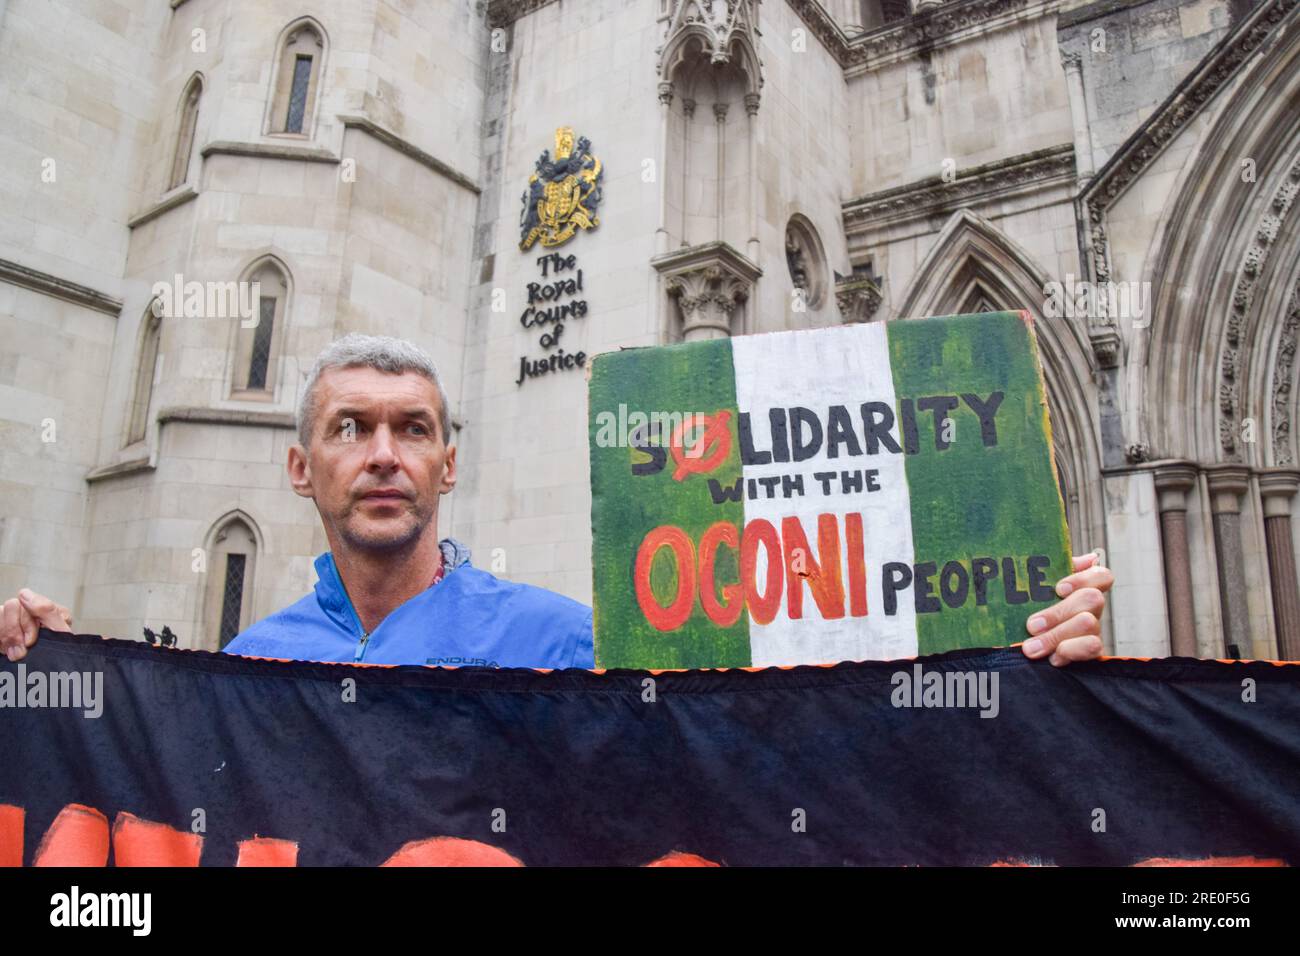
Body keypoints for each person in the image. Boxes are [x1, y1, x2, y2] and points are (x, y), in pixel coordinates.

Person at [0, 334, 1114, 668]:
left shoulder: (563, 642)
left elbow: (761, 754)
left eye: (413, 429)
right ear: (302, 467)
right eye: (351, 427)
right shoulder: (247, 671)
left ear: (449, 464)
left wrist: (1011, 661)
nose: (383, 453)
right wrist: (48, 682)